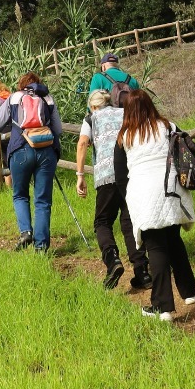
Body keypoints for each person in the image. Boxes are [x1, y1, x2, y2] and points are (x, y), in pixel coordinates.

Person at [118, 89, 195, 319]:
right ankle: (189, 292)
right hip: (171, 190)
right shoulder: (168, 126)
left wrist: (129, 198)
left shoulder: (125, 136)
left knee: (156, 249)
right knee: (174, 240)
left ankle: (163, 307)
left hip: (144, 195)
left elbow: (120, 175)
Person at [75, 89, 149, 290]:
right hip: (129, 173)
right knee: (129, 222)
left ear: (93, 106)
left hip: (106, 175)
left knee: (102, 221)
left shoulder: (91, 118)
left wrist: (80, 176)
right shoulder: (124, 113)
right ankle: (142, 272)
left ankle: (113, 260)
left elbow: (82, 143)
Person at [0, 73, 64, 251]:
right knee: (43, 200)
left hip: (20, 149)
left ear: (21, 85)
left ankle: (26, 232)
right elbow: (58, 129)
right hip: (46, 151)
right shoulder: (48, 98)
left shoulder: (14, 98)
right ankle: (41, 246)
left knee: (20, 194)